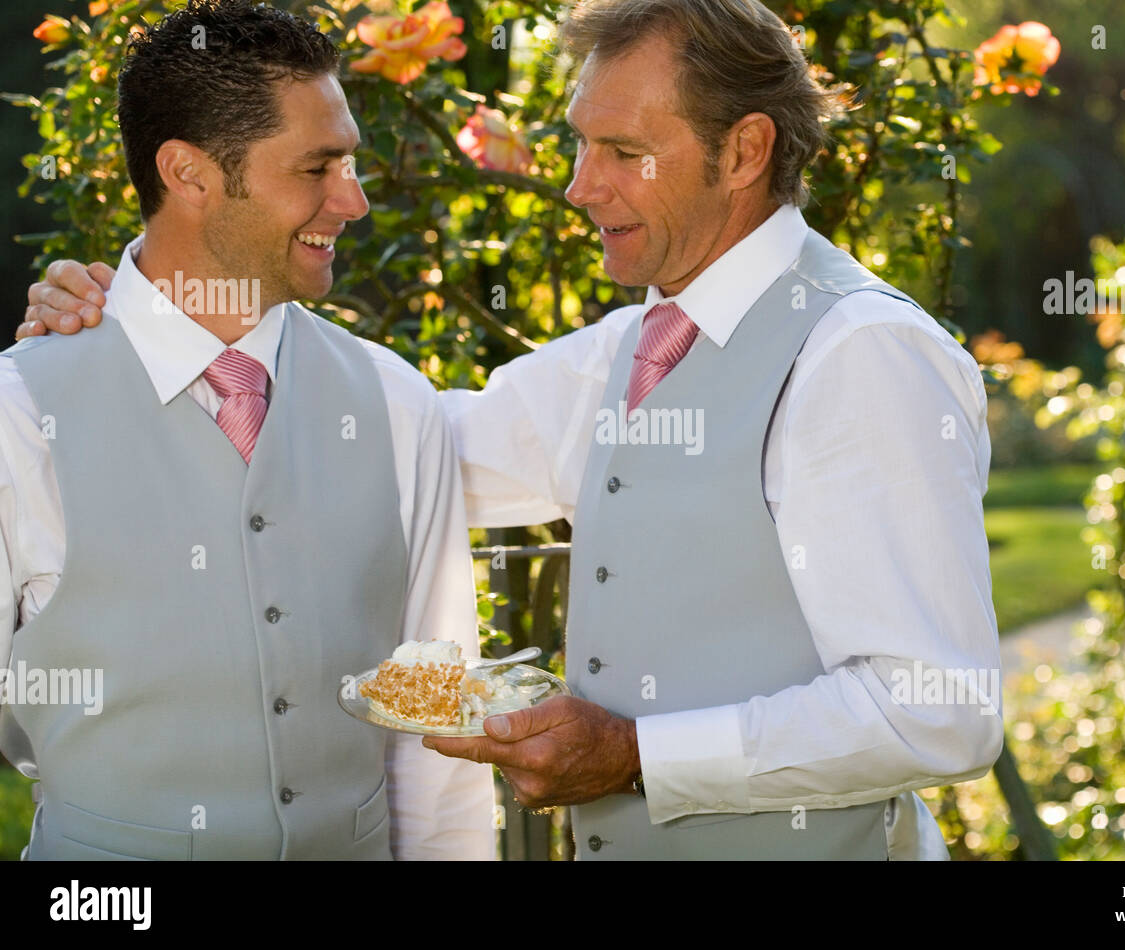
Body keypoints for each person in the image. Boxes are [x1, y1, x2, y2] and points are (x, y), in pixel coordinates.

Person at [23, 0, 1002, 860]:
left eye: (622, 152)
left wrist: (635, 754)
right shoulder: (621, 354)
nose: (580, 186)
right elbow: (384, 444)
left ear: (744, 150)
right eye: (580, 144)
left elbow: (937, 706)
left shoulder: (859, 354)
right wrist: (142, 330)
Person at [2, 0, 493, 860]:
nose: (356, 199)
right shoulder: (18, 415)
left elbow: (431, 725)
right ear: (188, 174)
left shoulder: (396, 402)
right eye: (318, 167)